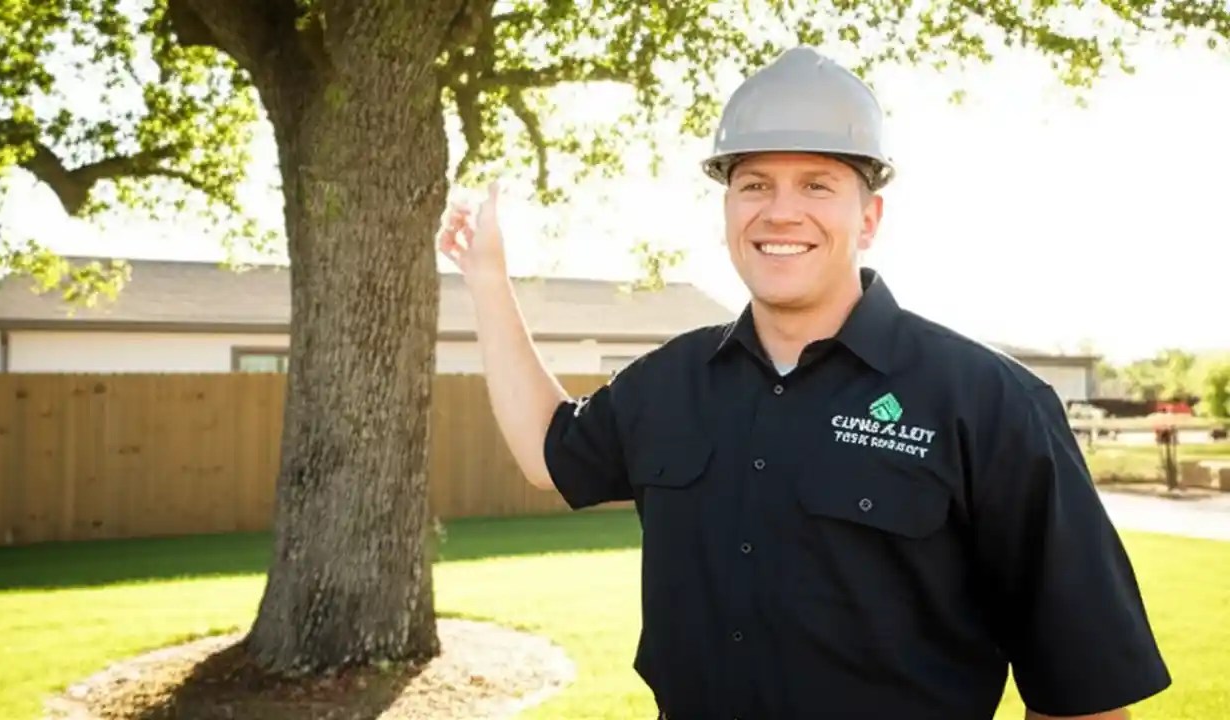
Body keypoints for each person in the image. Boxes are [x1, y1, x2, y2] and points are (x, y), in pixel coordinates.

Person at [437, 45, 1171, 720]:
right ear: (728, 210)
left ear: (870, 216)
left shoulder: (992, 404)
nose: (780, 211)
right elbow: (547, 451)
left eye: (817, 183)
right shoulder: (670, 383)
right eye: (754, 183)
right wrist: (488, 282)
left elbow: (1084, 690)